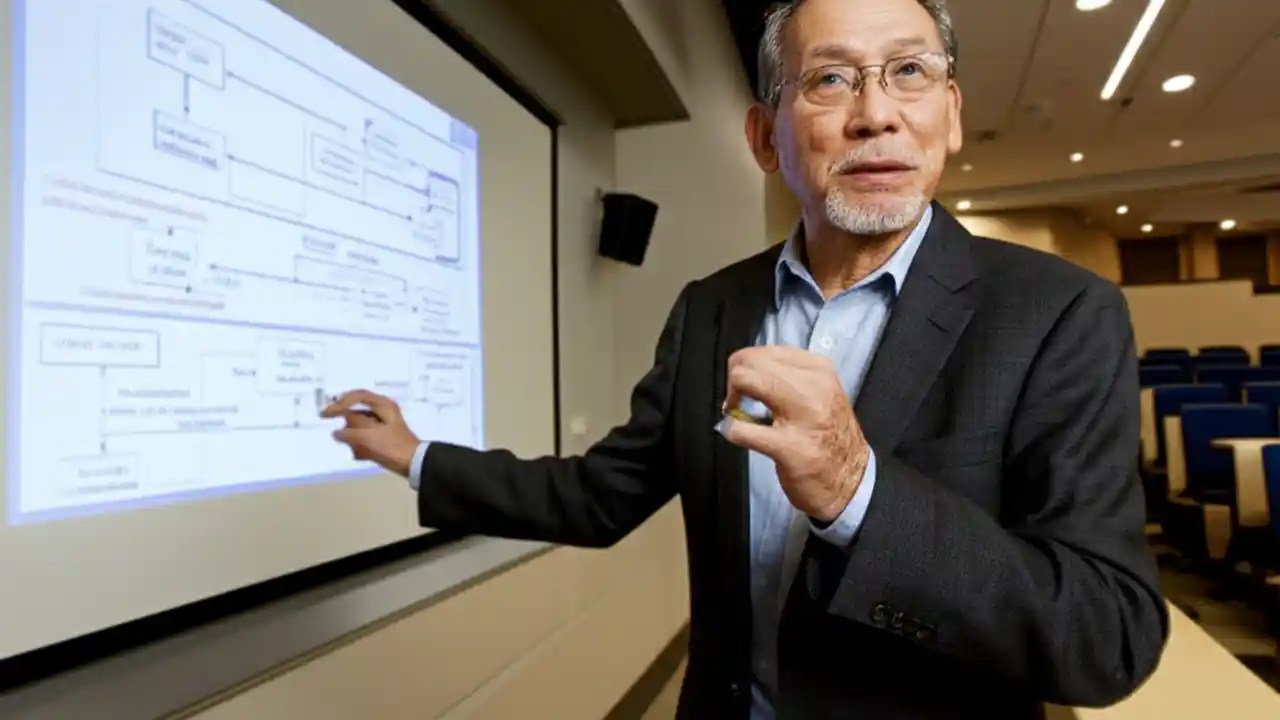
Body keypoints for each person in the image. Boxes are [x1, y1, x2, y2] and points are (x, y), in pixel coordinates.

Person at [323, 0, 1169, 716]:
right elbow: (600, 495)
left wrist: (858, 492)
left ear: (949, 113)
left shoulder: (1060, 313)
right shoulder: (712, 308)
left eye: (909, 72)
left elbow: (1107, 636)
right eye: (830, 79)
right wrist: (417, 456)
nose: (876, 113)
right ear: (765, 137)